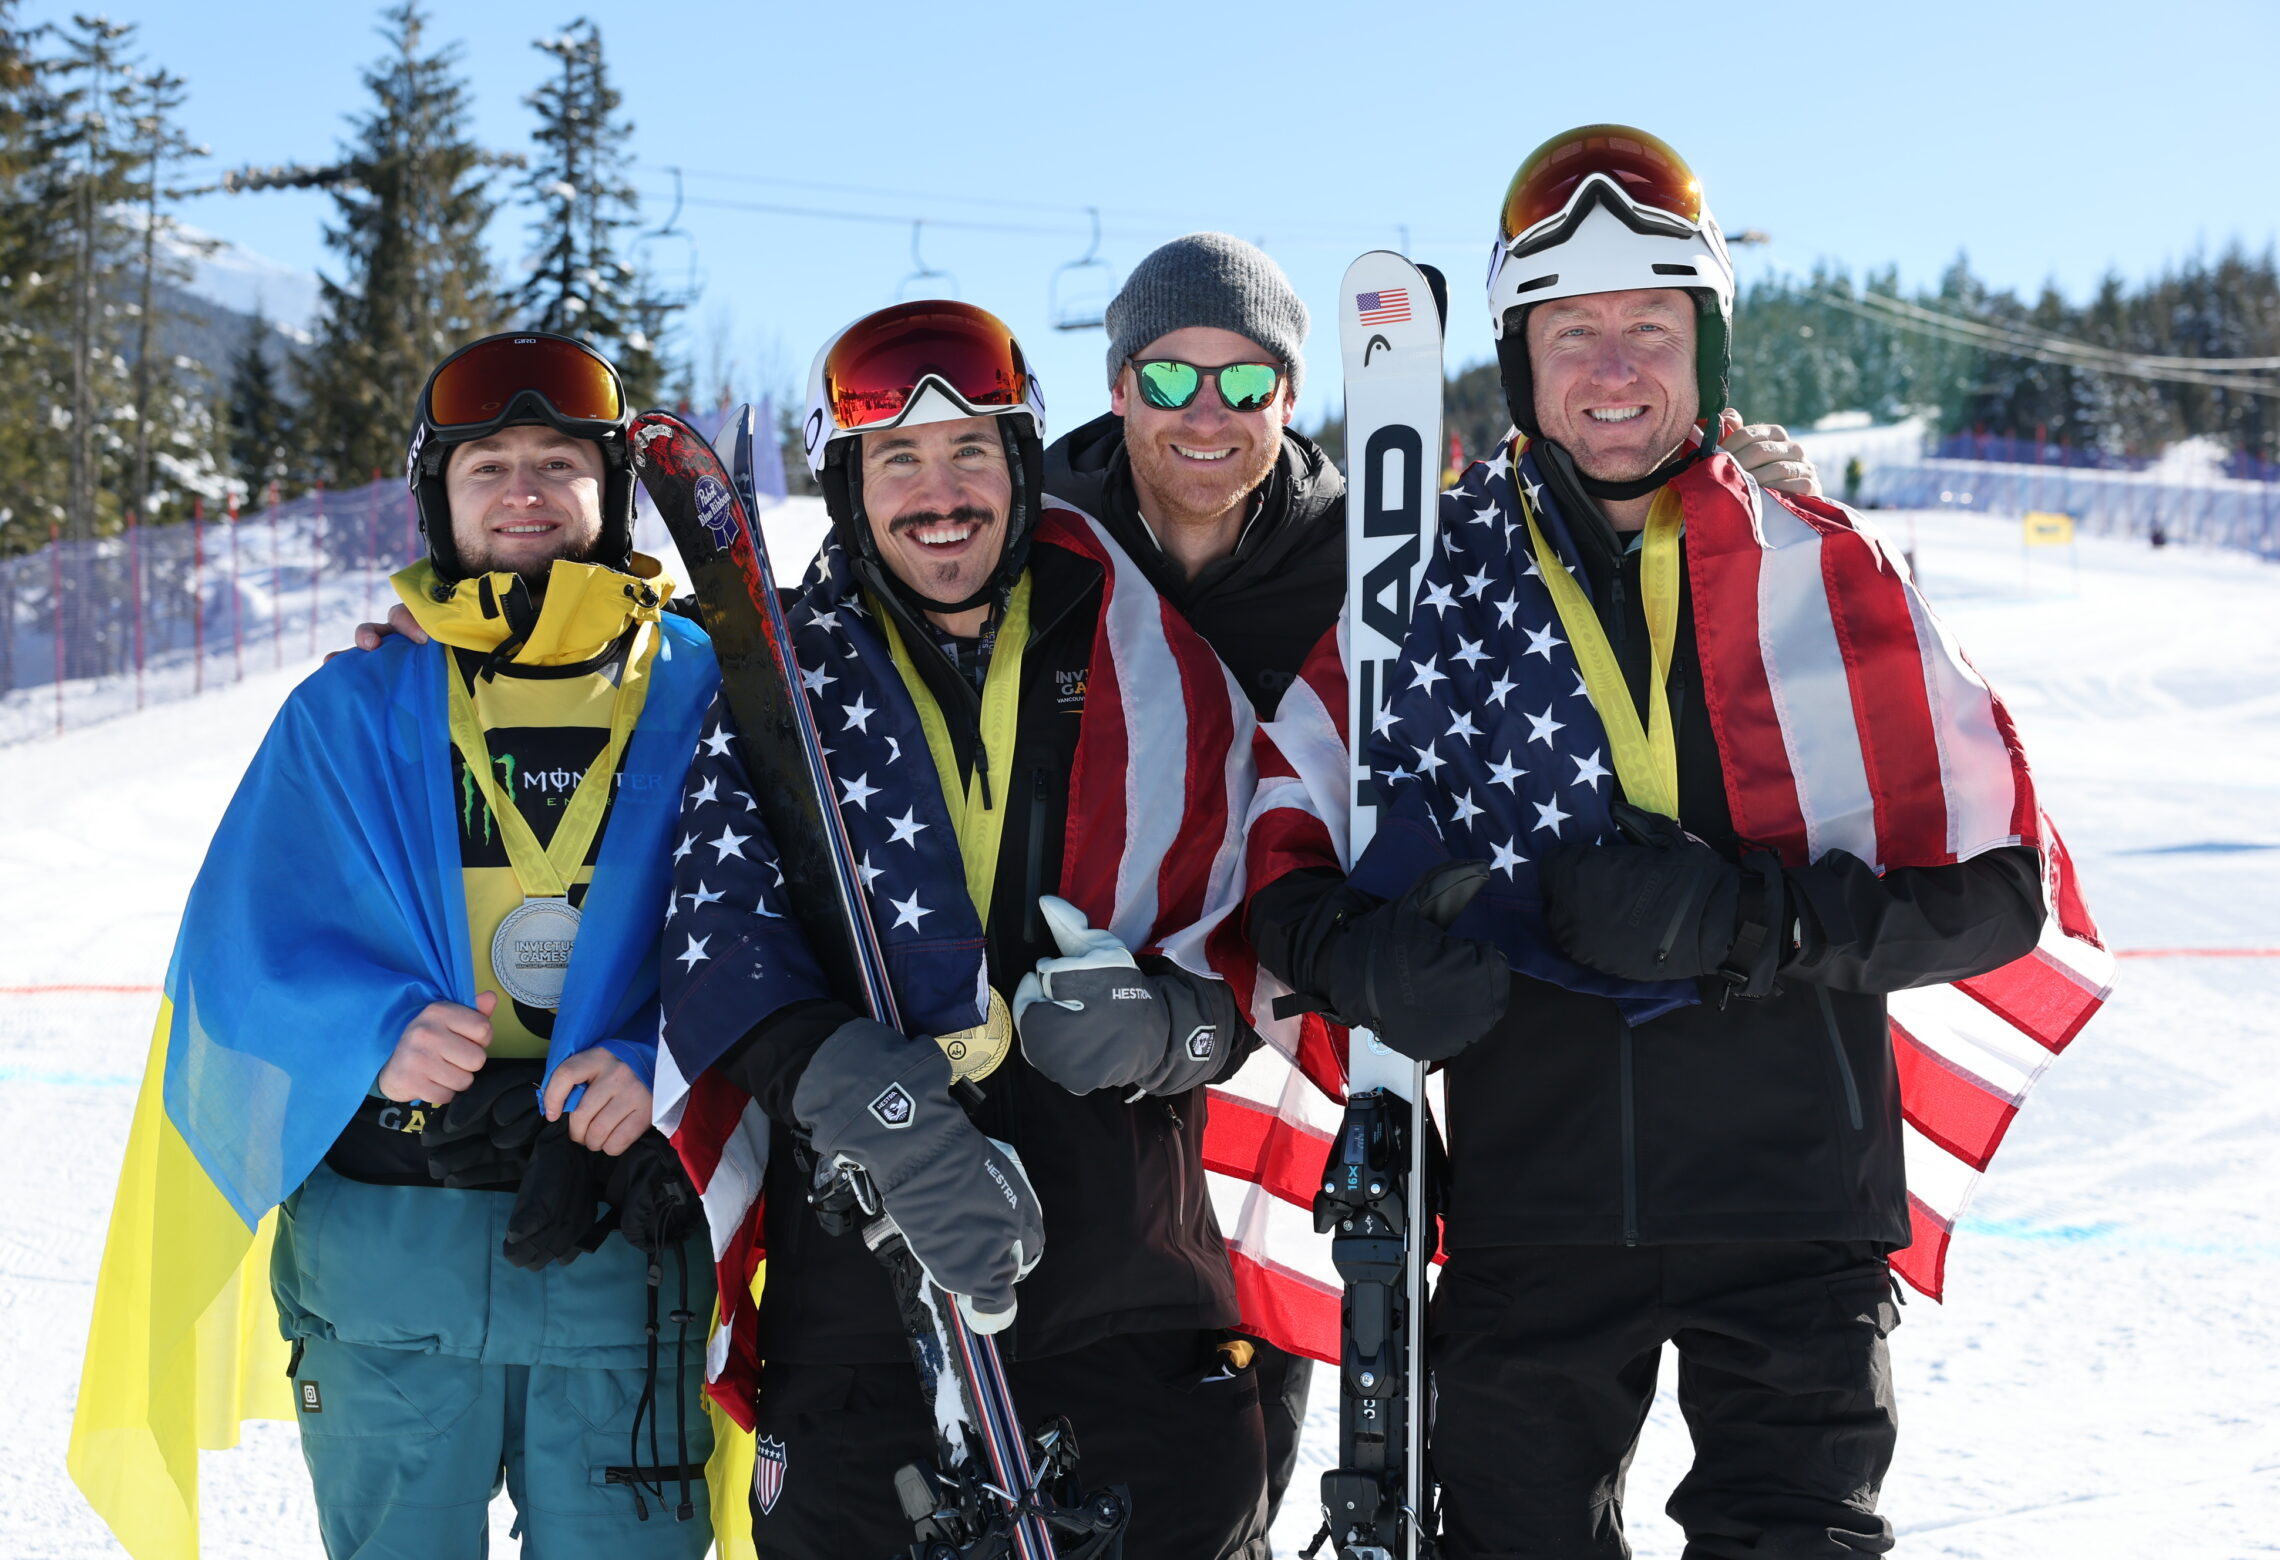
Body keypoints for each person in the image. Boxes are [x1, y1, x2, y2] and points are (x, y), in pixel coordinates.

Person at [1246, 126, 2080, 1558]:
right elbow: (1281, 857)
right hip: (1531, 1211)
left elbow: (2005, 896)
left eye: (1651, 326)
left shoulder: (1824, 573)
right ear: (1520, 360)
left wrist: (1749, 922)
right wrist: (1364, 954)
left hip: (1795, 1218)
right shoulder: (1430, 594)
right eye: (1574, 332)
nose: (1615, 368)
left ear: (1708, 352)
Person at [1048, 230, 1830, 1531]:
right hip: (1050, 1047)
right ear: (1118, 383)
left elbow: (1574, 568)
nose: (1208, 416)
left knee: (1215, 1455)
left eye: (1246, 384)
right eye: (1172, 379)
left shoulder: (1372, 560)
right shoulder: (1029, 538)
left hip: (1257, 1055)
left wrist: (1727, 498)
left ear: (1290, 397)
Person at [74, 331, 723, 1560]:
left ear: (610, 490)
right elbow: (232, 961)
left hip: (623, 1263)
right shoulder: (352, 706)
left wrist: (665, 1059)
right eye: (488, 467)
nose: (524, 492)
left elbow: (782, 932)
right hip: (389, 1261)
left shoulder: (708, 690)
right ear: (442, 500)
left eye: (556, 462)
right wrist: (368, 1034)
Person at [659, 300, 1273, 1559]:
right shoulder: (779, 682)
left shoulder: (1155, 662)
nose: (940, 494)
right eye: (898, 461)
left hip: (1133, 1307)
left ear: (1021, 467)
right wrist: (864, 1101)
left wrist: (1171, 1030)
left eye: (971, 453)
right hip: (866, 1323)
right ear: (848, 484)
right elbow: (716, 930)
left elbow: (1263, 946)